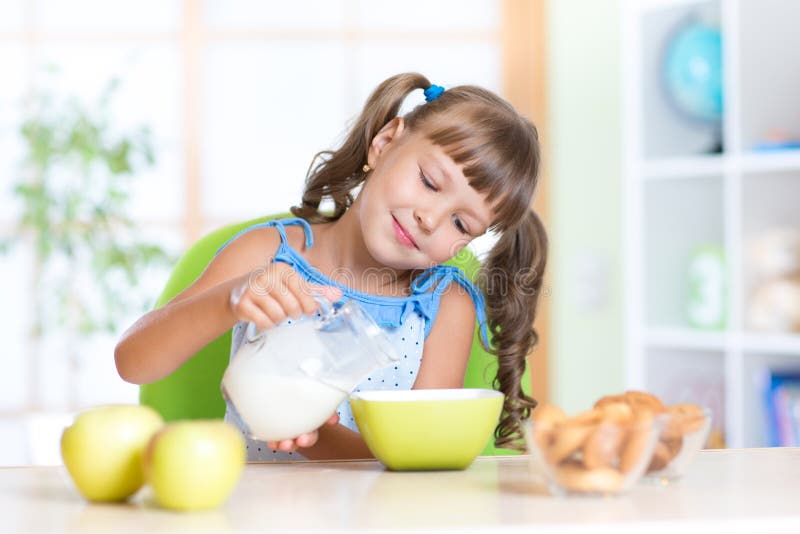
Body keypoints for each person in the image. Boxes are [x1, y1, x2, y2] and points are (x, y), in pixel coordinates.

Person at [114, 72, 547, 461]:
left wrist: (315, 435)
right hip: (246, 508)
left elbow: (417, 459)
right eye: (430, 182)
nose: (430, 219)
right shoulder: (267, 254)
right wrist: (230, 301)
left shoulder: (444, 305)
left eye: (461, 224)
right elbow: (133, 362)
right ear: (385, 143)